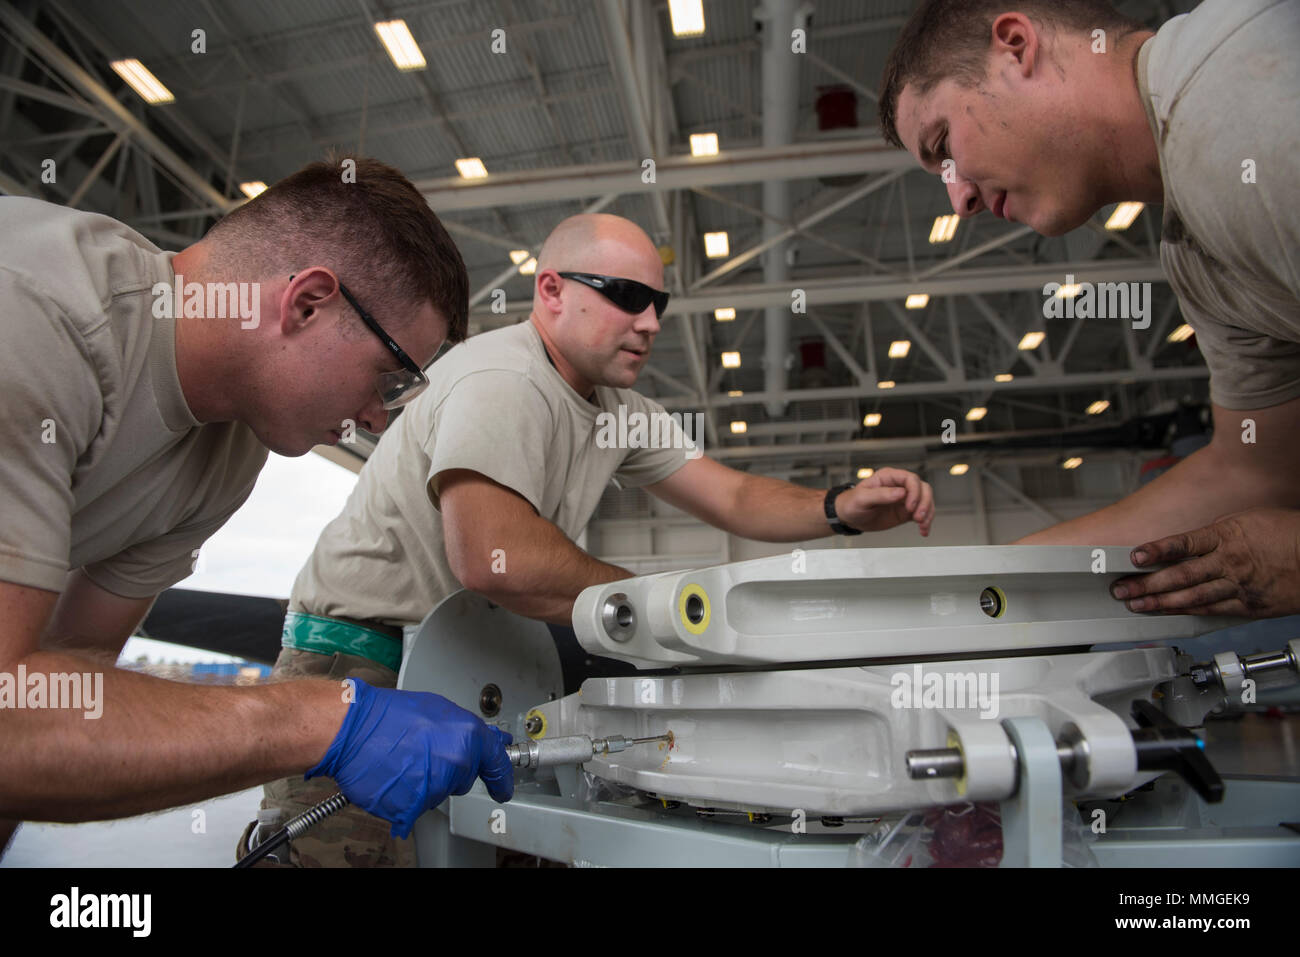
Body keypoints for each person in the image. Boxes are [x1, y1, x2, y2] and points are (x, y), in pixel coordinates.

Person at [252, 212, 937, 866]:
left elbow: (729, 494)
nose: (651, 322)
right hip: (364, 672)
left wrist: (840, 507)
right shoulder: (504, 376)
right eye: (627, 296)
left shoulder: (619, 413)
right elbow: (499, 559)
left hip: (477, 671)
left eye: (657, 304)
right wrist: (668, 608)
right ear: (550, 290)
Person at [0, 156, 513, 861]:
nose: (379, 418)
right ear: (306, 302)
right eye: (390, 376)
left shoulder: (228, 449)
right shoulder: (37, 313)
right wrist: (320, 718)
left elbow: (62, 693)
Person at [878, 0, 1300, 618]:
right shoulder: (1199, 256)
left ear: (1017, 45)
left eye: (944, 145)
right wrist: (976, 595)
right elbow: (1256, 471)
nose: (958, 199)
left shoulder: (1246, 110)